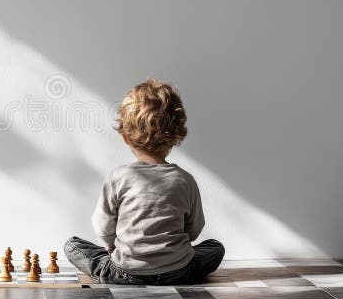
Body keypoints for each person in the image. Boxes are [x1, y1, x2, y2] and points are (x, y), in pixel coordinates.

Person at [64, 78, 224, 284]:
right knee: (215, 248)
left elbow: (102, 226)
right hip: (178, 271)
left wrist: (111, 246)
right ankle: (173, 265)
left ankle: (115, 270)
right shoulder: (185, 179)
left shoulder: (117, 177)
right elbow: (194, 230)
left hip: (126, 271)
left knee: (72, 246)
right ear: (177, 135)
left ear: (126, 138)